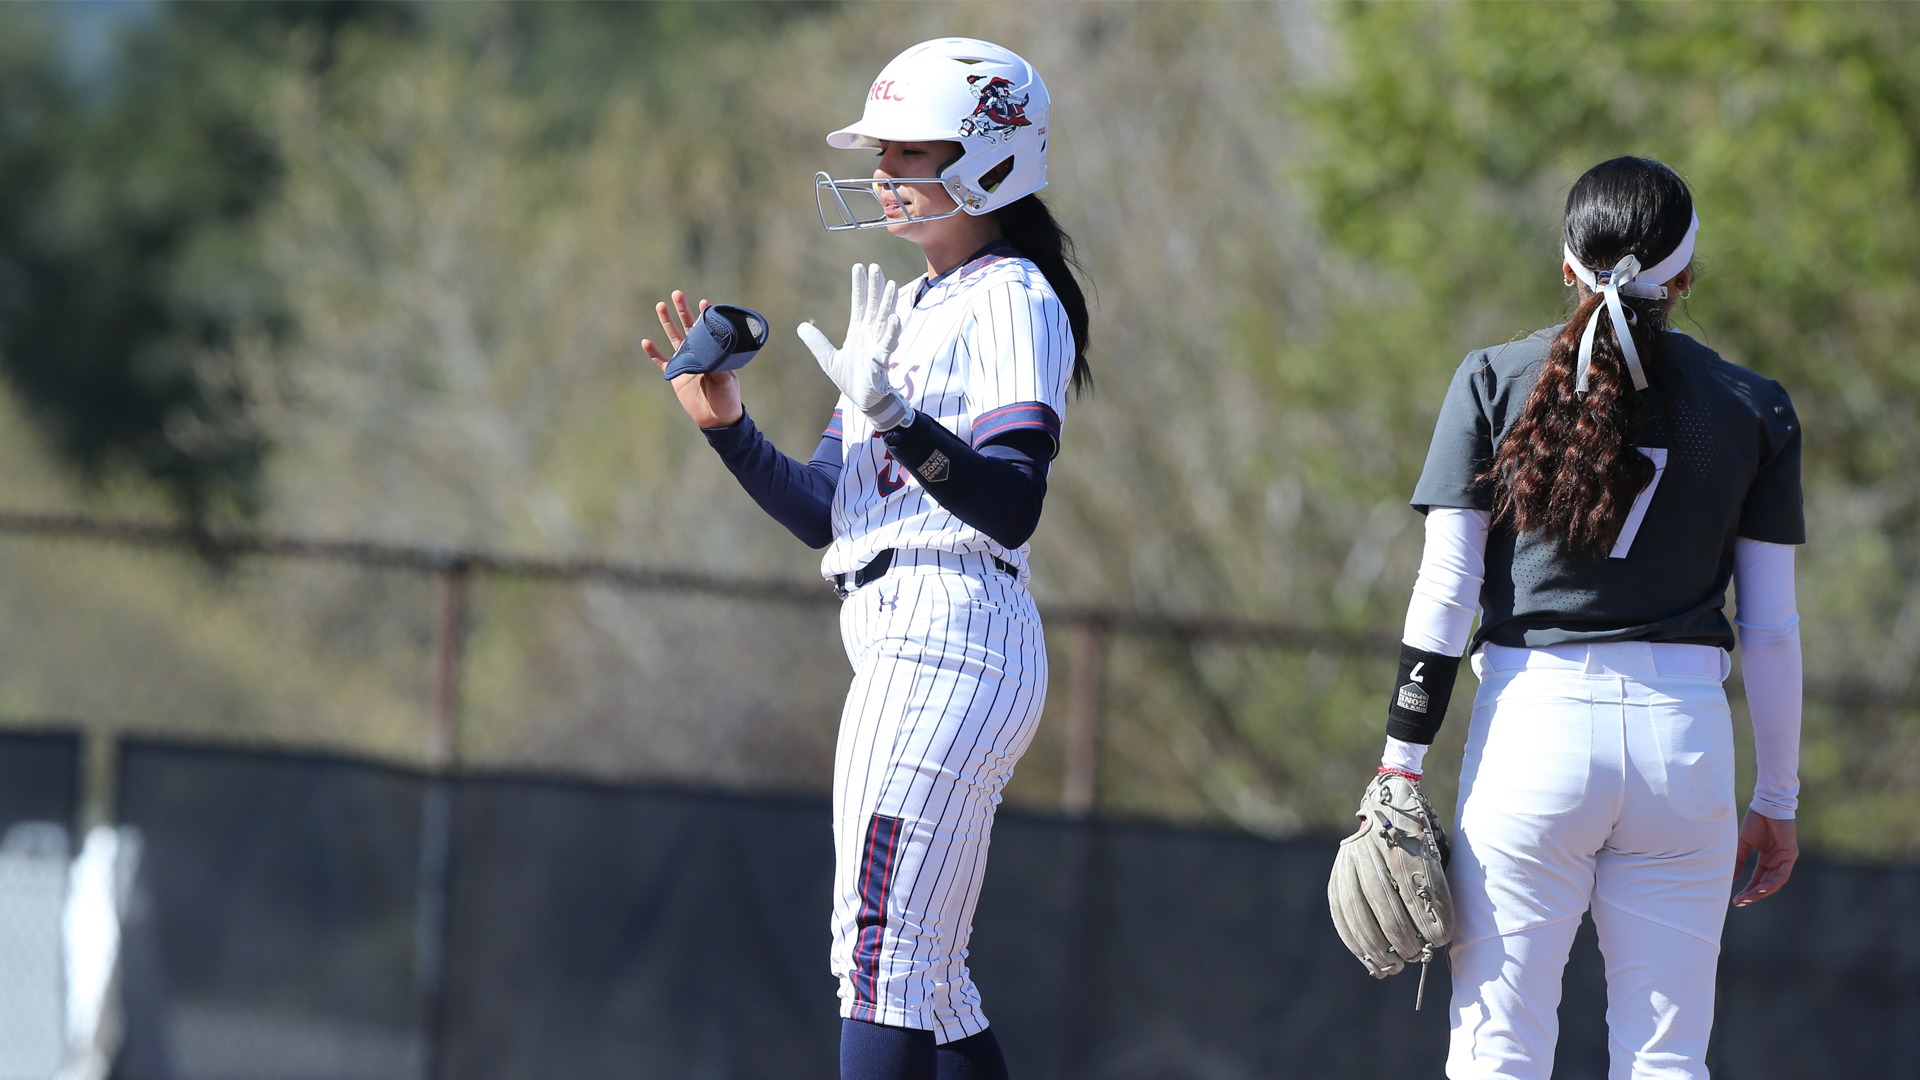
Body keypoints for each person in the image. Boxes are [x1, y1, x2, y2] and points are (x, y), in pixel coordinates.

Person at [640, 38, 1091, 1080]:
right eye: (880, 152)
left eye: (911, 151)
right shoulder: (913, 305)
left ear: (992, 157)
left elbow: (1012, 501)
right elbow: (822, 512)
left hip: (949, 628)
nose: (886, 173)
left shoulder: (1012, 292)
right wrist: (725, 426)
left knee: (880, 962)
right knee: (929, 980)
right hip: (914, 627)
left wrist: (895, 417)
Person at [1372, 156, 1803, 1079]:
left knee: (1499, 1055)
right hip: (1683, 748)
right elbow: (1769, 628)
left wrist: (1399, 761)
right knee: (1665, 1060)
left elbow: (1446, 590)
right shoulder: (1753, 404)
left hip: (1536, 731)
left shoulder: (1494, 377)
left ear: (1567, 263)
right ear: (1684, 276)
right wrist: (1778, 797)